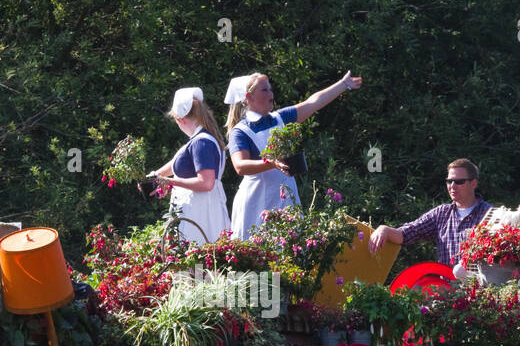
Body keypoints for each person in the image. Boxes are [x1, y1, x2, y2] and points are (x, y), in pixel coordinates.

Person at [224, 70, 362, 240]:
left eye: (270, 89)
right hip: (256, 201)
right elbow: (240, 166)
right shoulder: (241, 131)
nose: (271, 94)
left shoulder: (279, 118)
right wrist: (272, 163)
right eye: (265, 90)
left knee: (289, 252)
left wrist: (343, 84)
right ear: (249, 97)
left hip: (284, 197)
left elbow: (313, 102)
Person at [369, 159, 492, 271]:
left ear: (474, 183)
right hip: (447, 292)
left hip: (479, 292)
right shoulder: (441, 214)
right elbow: (406, 234)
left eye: (459, 181)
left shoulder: (492, 215)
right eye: (449, 181)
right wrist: (383, 229)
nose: (452, 186)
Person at [146, 87, 231, 244]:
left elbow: (206, 183)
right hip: (199, 210)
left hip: (200, 213)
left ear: (180, 119)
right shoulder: (199, 139)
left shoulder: (201, 142)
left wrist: (169, 182)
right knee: (194, 261)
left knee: (197, 262)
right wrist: (156, 175)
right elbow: (178, 164)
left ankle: (196, 270)